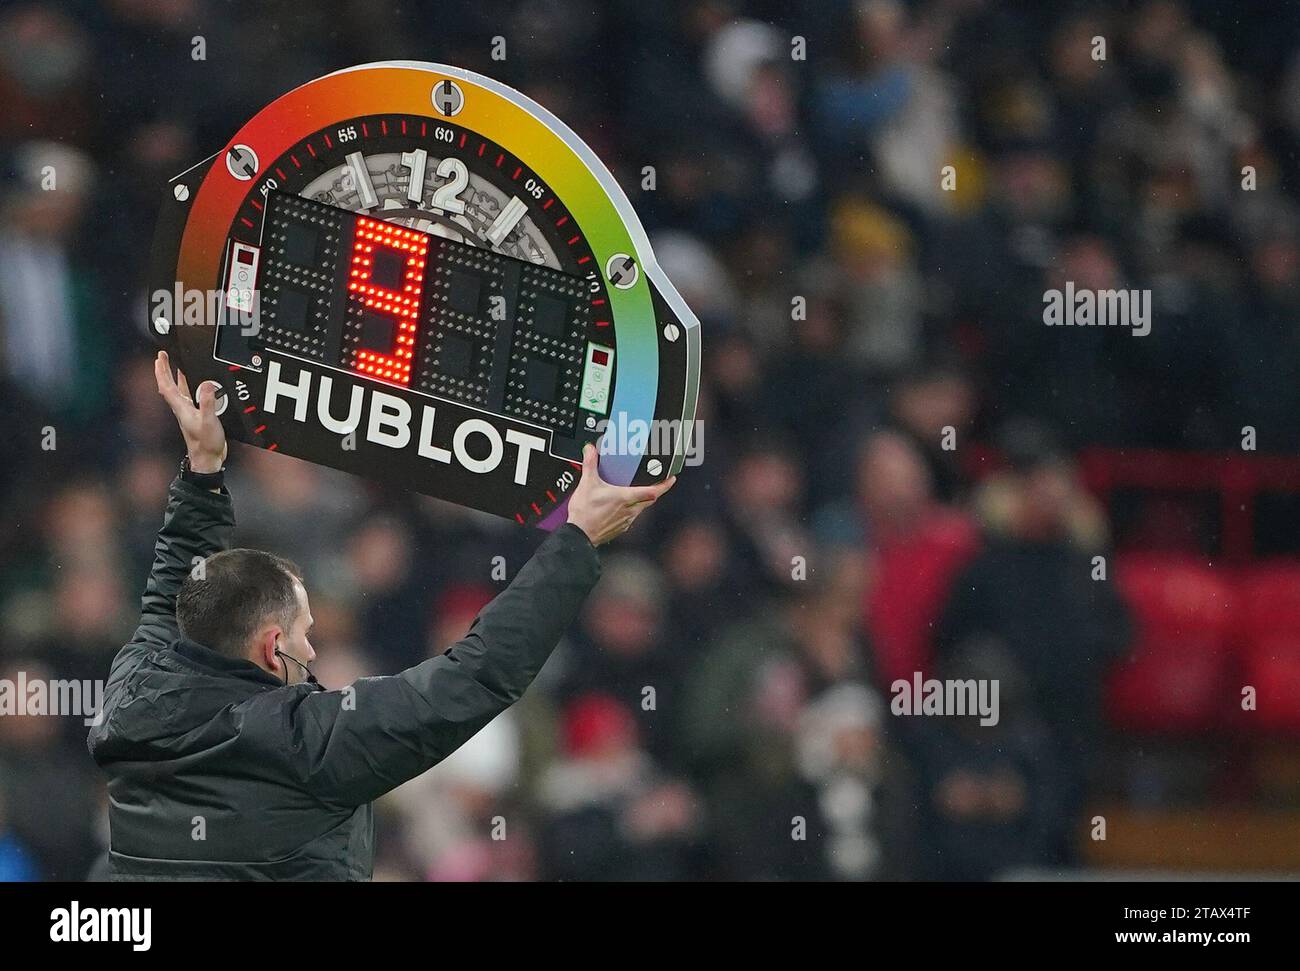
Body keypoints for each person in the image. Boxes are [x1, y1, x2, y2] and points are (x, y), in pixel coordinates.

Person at [86, 351, 674, 881]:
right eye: (303, 632)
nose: (312, 651)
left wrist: (204, 466)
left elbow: (171, 594)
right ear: (272, 647)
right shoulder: (309, 743)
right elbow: (479, 673)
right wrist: (579, 538)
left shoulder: (133, 688)